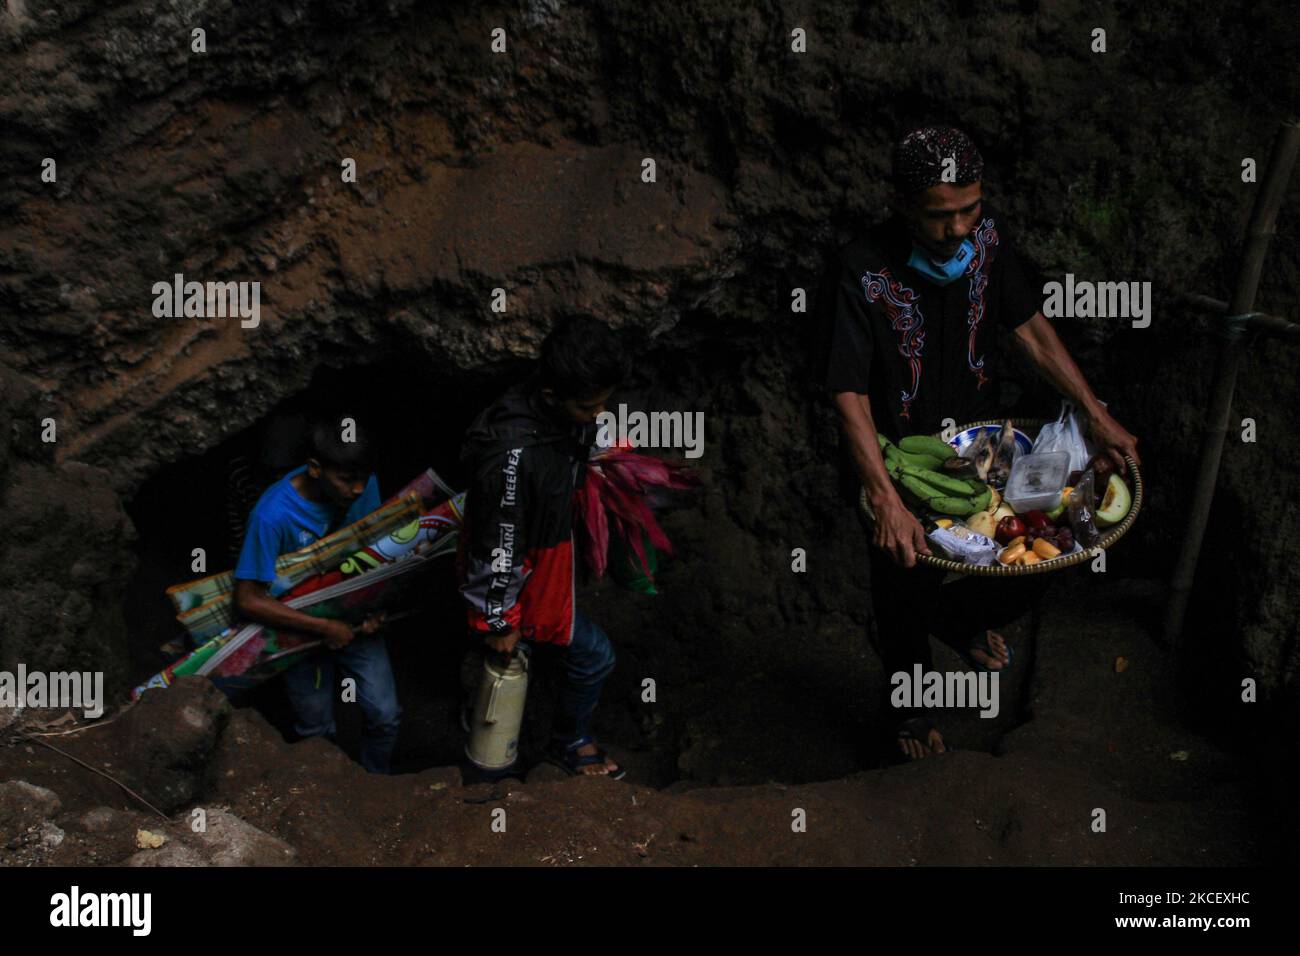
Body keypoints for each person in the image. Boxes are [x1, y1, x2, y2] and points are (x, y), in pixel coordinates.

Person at [816, 125, 1141, 761]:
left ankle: (960, 619)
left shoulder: (987, 243)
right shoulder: (858, 271)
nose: (960, 228)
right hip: (899, 460)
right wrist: (882, 494)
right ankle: (910, 713)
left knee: (1045, 545)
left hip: (981, 450)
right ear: (902, 204)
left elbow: (1029, 328)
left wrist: (1093, 412)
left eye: (971, 208)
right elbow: (846, 391)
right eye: (941, 216)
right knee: (902, 580)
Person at [458, 316, 628, 778]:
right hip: (521, 582)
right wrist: (499, 620)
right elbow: (498, 545)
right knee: (590, 657)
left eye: (603, 403)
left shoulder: (554, 412)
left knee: (527, 663)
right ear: (552, 397)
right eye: (589, 406)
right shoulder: (512, 460)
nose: (598, 413)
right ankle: (525, 760)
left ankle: (531, 745)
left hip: (548, 564)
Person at [232, 416, 398, 773]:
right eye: (346, 480)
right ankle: (328, 796)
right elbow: (248, 598)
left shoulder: (363, 484)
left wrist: (375, 609)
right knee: (316, 727)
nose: (357, 490)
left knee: (385, 716)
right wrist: (324, 628)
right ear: (314, 468)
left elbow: (374, 554)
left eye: (363, 479)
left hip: (354, 619)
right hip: (299, 633)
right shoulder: (272, 515)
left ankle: (379, 790)